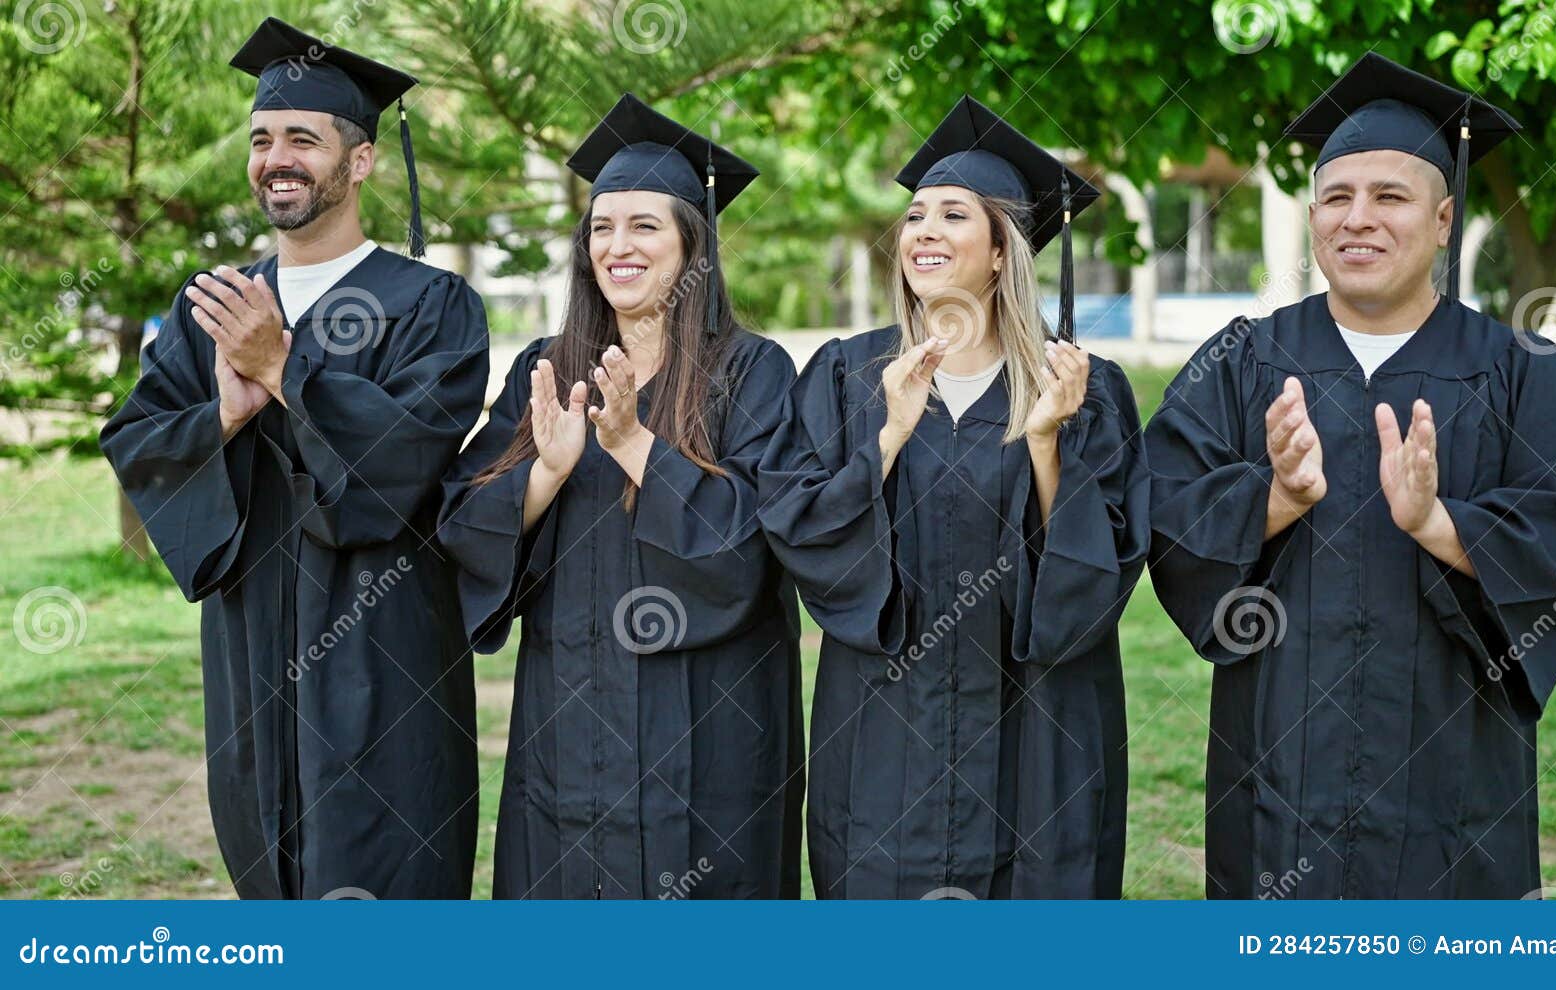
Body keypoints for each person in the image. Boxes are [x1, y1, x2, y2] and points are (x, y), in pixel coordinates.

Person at [1145, 52, 1556, 899]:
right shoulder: (1244, 362)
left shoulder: (1524, 373)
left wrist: (1441, 525)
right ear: (1314, 215)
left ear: (1443, 220)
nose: (1359, 219)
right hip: (1279, 764)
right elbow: (1164, 515)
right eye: (1336, 197)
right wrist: (1275, 497)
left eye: (1390, 197)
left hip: (1459, 768)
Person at [100, 18, 487, 898]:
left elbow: (408, 464)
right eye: (262, 138)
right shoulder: (214, 302)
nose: (277, 157)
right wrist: (225, 421)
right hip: (248, 648)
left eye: (303, 139)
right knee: (266, 872)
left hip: (384, 648)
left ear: (359, 164)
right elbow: (138, 444)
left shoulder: (432, 304)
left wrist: (283, 368)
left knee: (388, 878)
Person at [759, 96, 1149, 898]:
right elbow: (799, 529)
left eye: (953, 215)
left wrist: (1045, 441)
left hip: (1038, 730)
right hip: (884, 732)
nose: (924, 231)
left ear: (1004, 251)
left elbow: (1100, 572)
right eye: (914, 216)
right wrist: (890, 434)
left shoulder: (1083, 387)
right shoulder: (846, 375)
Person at [436, 94, 805, 899]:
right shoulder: (548, 365)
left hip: (714, 725)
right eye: (602, 227)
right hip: (572, 722)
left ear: (692, 247)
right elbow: (464, 521)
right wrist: (547, 471)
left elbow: (753, 547)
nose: (618, 246)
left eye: (645, 226)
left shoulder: (754, 372)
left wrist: (635, 445)